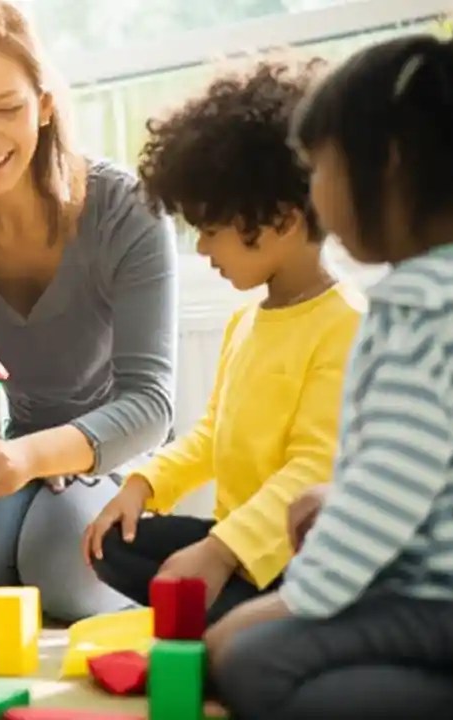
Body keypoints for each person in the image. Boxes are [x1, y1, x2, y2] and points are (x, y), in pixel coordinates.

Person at [208, 32, 453, 720]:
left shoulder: (418, 313)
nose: (316, 199)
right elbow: (432, 468)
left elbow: (397, 473)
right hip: (445, 588)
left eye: (320, 171)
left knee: (245, 660)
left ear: (386, 167)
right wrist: (340, 495)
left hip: (450, 604)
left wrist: (289, 601)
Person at [0, 0, 178, 620]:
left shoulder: (125, 210)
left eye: (8, 108)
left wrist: (37, 454)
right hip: (13, 450)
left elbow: (151, 405)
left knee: (62, 567)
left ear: (46, 103)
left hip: (118, 450)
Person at [81, 59, 363, 623]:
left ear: (281, 220)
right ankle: (226, 603)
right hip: (236, 545)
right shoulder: (247, 325)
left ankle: (256, 611)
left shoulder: (345, 325)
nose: (205, 251)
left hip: (303, 556)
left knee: (239, 595)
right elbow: (213, 436)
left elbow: (313, 470)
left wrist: (219, 550)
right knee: (114, 544)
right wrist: (144, 482)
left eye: (211, 231)